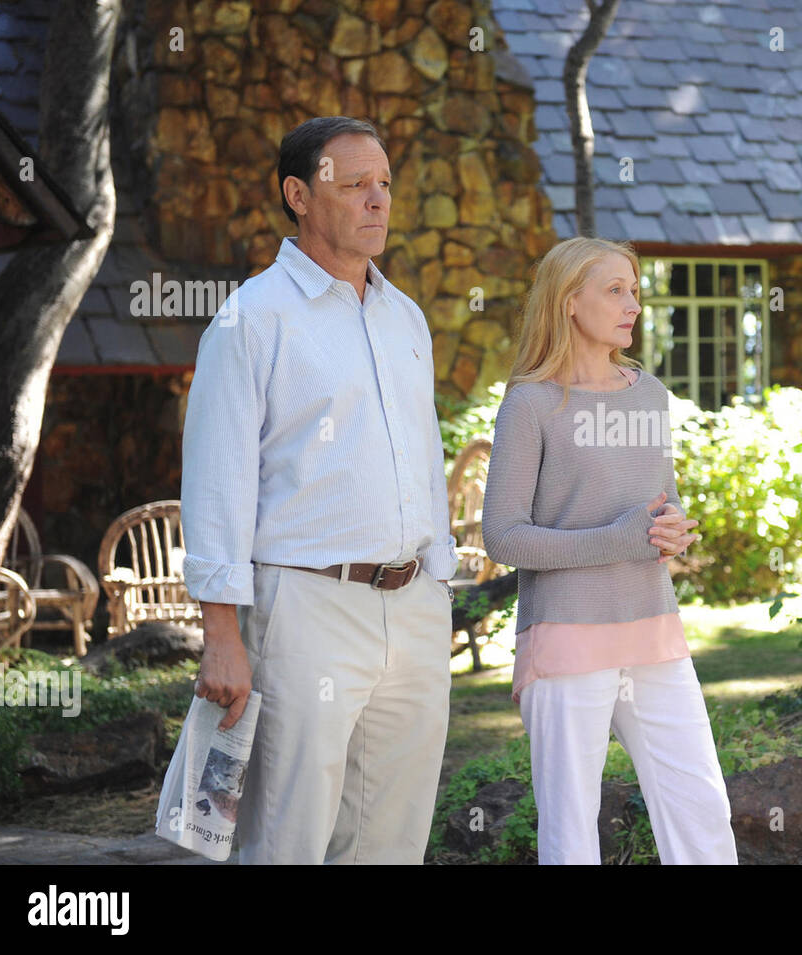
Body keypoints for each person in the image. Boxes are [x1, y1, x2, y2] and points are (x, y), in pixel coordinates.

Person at [180, 116, 458, 864]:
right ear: (299, 194)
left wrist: (439, 580)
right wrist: (222, 635)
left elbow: (425, 459)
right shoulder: (250, 321)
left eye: (386, 184)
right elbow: (216, 482)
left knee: (392, 842)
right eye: (355, 183)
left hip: (415, 611)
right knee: (286, 839)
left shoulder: (406, 318)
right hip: (305, 610)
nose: (378, 200)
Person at [481, 236, 739, 865]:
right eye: (615, 290)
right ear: (570, 302)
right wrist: (617, 538)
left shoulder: (648, 394)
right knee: (571, 830)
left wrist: (669, 528)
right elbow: (504, 535)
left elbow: (659, 501)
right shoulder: (531, 403)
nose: (633, 304)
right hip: (568, 637)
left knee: (700, 804)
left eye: (635, 290)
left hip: (653, 629)